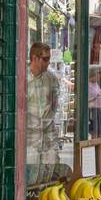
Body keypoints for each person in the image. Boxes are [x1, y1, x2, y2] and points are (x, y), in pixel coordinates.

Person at [26, 42, 58, 184]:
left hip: (47, 138)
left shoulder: (51, 79)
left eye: (49, 59)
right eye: (45, 59)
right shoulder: (23, 79)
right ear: (34, 58)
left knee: (47, 180)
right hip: (29, 138)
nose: (48, 63)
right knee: (30, 180)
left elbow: (54, 105)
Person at [87, 64, 101, 138]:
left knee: (99, 129)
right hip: (92, 109)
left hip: (99, 108)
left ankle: (98, 143)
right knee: (94, 128)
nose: (100, 76)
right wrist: (99, 95)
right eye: (99, 74)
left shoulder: (95, 84)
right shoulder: (88, 84)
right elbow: (93, 95)